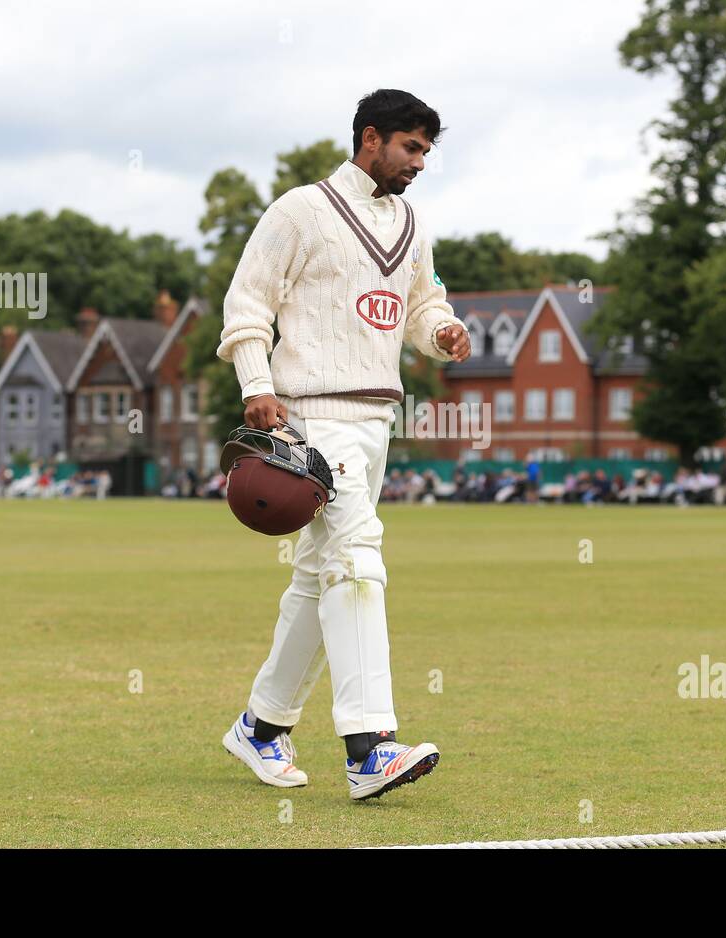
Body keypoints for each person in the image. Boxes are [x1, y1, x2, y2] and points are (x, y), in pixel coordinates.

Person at [216, 89, 470, 801]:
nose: (419, 163)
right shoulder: (300, 210)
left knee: (318, 576)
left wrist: (441, 334)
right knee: (359, 560)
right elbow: (248, 301)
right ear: (371, 138)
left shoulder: (413, 222)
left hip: (375, 418)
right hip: (309, 416)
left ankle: (262, 728)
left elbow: (423, 305)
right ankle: (369, 748)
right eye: (410, 147)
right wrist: (254, 384)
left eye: (426, 150)